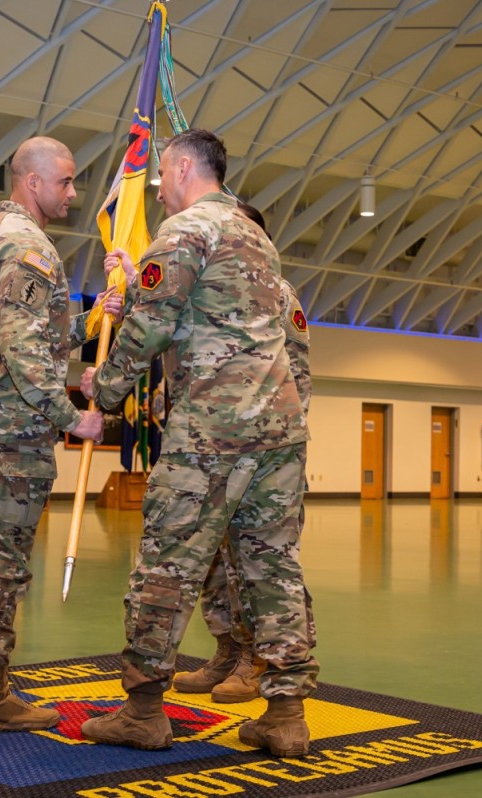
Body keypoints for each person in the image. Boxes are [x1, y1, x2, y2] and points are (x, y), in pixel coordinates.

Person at [79, 129, 320, 757]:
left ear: (185, 168)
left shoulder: (185, 229)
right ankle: (286, 715)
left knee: (167, 564)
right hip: (278, 429)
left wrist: (104, 391)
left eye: (163, 174)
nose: (159, 188)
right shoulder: (256, 237)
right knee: (273, 567)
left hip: (214, 427)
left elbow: (151, 325)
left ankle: (142, 710)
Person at [0, 136, 109, 734]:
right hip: (6, 430)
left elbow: (34, 330)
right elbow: (25, 349)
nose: (73, 192)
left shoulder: (0, 234)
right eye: (65, 180)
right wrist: (72, 417)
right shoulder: (28, 248)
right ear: (32, 182)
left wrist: (97, 316)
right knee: (0, 561)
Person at [172, 200, 313, 703]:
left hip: (264, 453)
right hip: (213, 448)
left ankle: (259, 660)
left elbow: (297, 375)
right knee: (215, 563)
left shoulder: (278, 293)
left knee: (256, 565)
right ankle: (228, 650)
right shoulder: (210, 289)